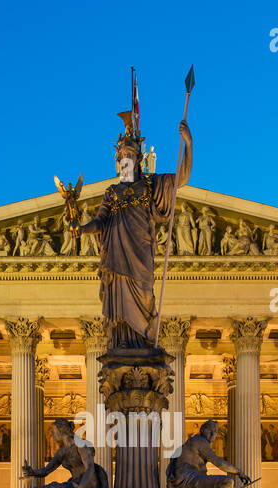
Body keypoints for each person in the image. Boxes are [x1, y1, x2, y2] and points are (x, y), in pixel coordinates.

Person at [72, 110, 192, 349]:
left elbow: (182, 179)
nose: (125, 160)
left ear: (139, 159)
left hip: (140, 257)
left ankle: (144, 343)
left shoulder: (151, 186)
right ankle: (123, 345)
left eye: (130, 155)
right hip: (117, 259)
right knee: (118, 314)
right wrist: (83, 228)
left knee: (146, 298)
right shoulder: (112, 193)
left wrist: (188, 142)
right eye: (122, 156)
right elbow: (100, 221)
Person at [166, 419, 249, 488]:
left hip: (190, 478)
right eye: (210, 430)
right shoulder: (199, 441)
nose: (213, 434)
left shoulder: (194, 442)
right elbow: (218, 462)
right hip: (189, 479)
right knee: (227, 482)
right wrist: (238, 471)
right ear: (203, 430)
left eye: (215, 432)